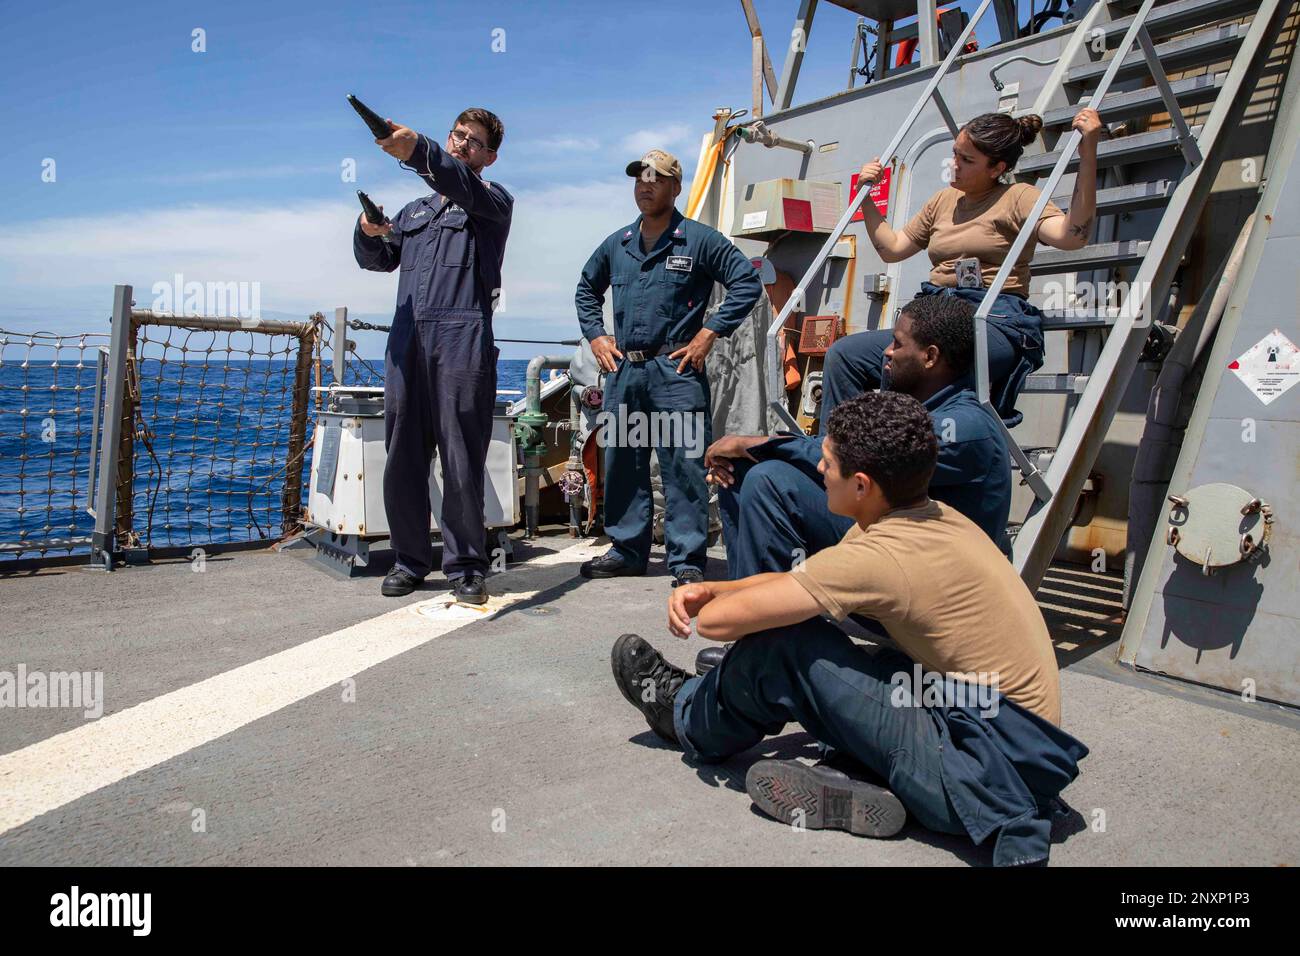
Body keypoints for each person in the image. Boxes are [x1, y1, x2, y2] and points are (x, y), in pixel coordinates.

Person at [610, 390, 1089, 866]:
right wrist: (719, 590)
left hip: (980, 770)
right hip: (1012, 742)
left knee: (784, 647)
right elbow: (796, 579)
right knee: (875, 662)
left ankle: (685, 715)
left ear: (861, 486)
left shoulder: (877, 557)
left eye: (827, 463)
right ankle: (865, 780)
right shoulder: (930, 515)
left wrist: (702, 605)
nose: (818, 470)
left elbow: (715, 626)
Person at [824, 108, 1103, 430]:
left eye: (967, 160)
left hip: (993, 317)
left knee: (912, 360)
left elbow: (1072, 236)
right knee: (844, 356)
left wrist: (1088, 155)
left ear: (997, 167)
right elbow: (893, 249)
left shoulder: (1019, 197)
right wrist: (867, 197)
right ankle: (838, 454)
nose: (954, 165)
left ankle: (892, 454)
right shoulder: (943, 201)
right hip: (936, 311)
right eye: (955, 154)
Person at [575, 149, 763, 587]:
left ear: (675, 187)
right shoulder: (617, 244)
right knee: (623, 461)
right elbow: (587, 288)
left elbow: (746, 281)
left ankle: (686, 559)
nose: (645, 185)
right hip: (626, 372)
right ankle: (626, 549)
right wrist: (596, 336)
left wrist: (709, 333)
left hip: (675, 371)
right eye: (640, 178)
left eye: (656, 179)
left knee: (683, 464)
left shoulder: (699, 240)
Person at [354, 108, 512, 605]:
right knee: (402, 453)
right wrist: (369, 229)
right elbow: (377, 261)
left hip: (462, 337)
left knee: (461, 455)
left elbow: (454, 178)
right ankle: (409, 559)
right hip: (407, 340)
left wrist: (419, 150)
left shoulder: (492, 202)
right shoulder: (415, 213)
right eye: (458, 135)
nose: (464, 144)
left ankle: (466, 564)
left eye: (475, 141)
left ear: (489, 156)